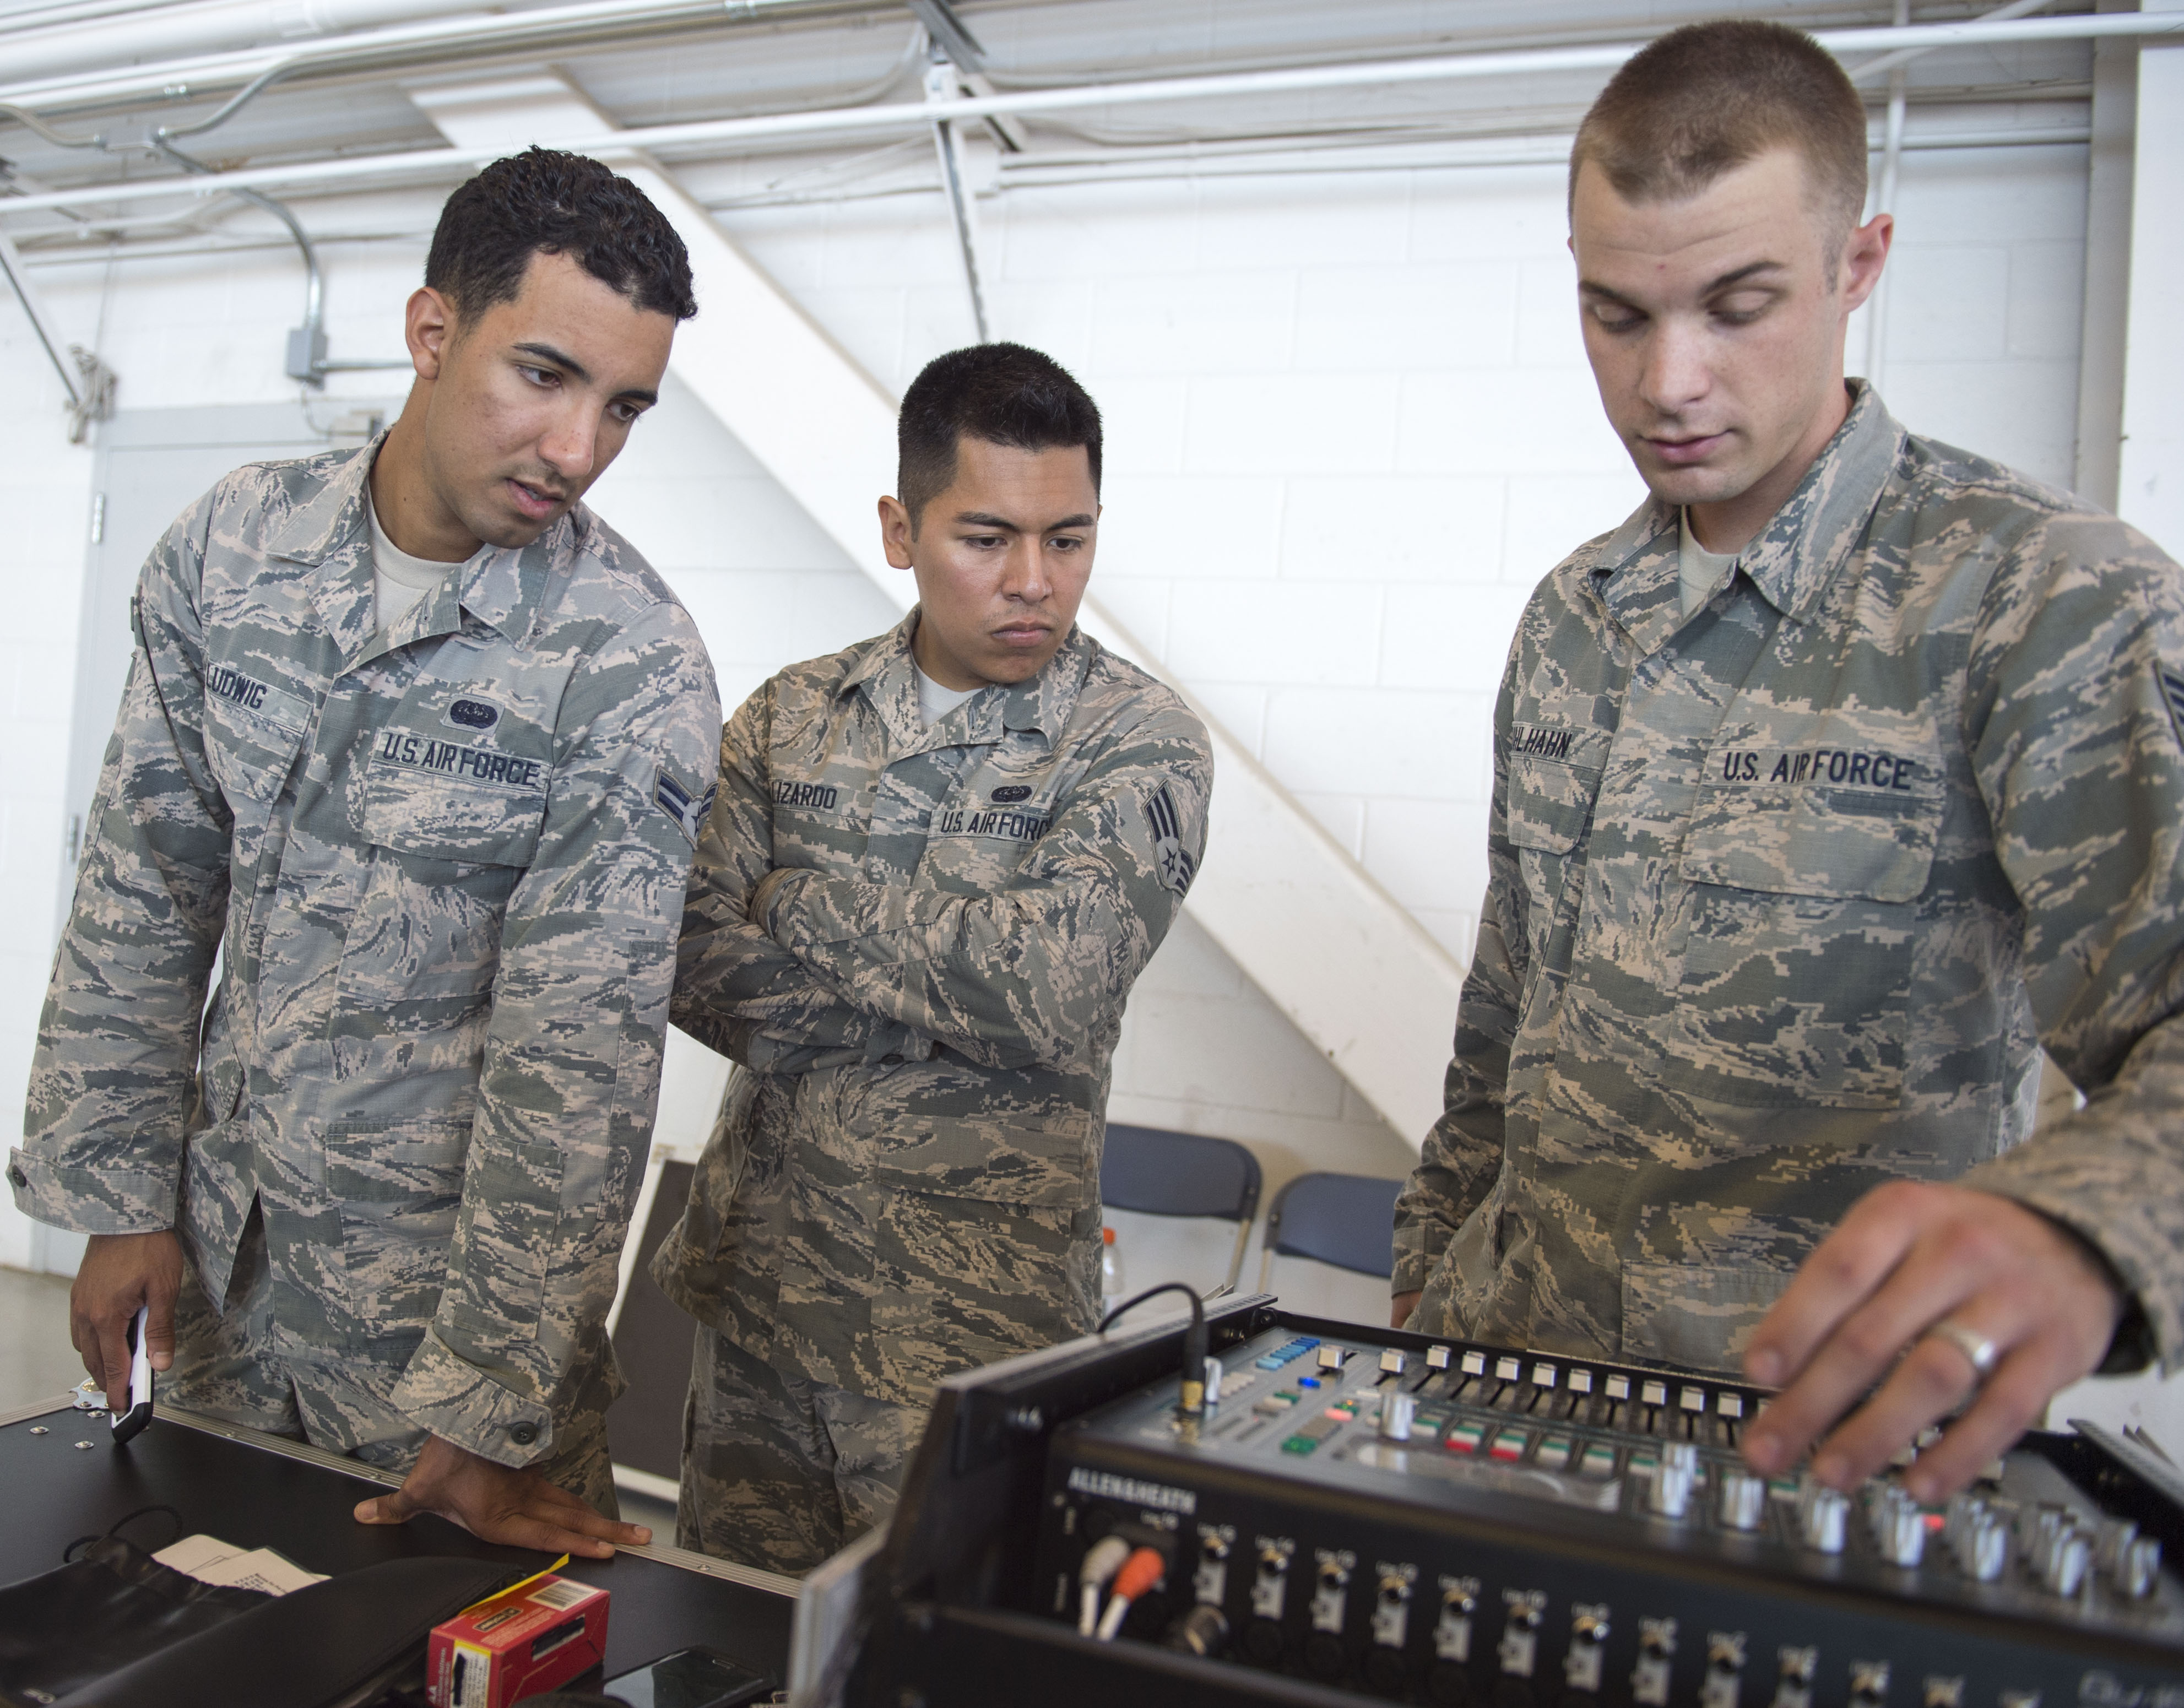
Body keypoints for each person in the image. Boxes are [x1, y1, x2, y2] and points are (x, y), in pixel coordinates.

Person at [1389, 20, 2181, 1507]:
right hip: (1506, 1408)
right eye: (1615, 315)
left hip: (1806, 1461)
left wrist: (2083, 1229)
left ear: (1854, 264)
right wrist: (1428, 1271)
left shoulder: (2040, 600)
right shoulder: (1573, 616)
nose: (1667, 381)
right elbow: (1501, 1021)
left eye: (1736, 305)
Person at [8, 148, 720, 1557]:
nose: (576, 448)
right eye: (543, 376)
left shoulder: (628, 661)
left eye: (622, 407)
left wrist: (488, 1401)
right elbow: (145, 887)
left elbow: (578, 1063)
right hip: (219, 1295)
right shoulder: (232, 550)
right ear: (431, 330)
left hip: (439, 1362)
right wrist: (118, 1200)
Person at [653, 343, 1215, 1574]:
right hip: (760, 1307)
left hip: (970, 1338)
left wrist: (791, 899)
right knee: (721, 1639)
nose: (1033, 582)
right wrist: (948, 1021)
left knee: (935, 1654)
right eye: (987, 538)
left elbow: (1051, 989)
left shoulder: (1136, 740)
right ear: (900, 530)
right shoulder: (793, 715)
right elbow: (684, 951)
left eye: (1067, 539)